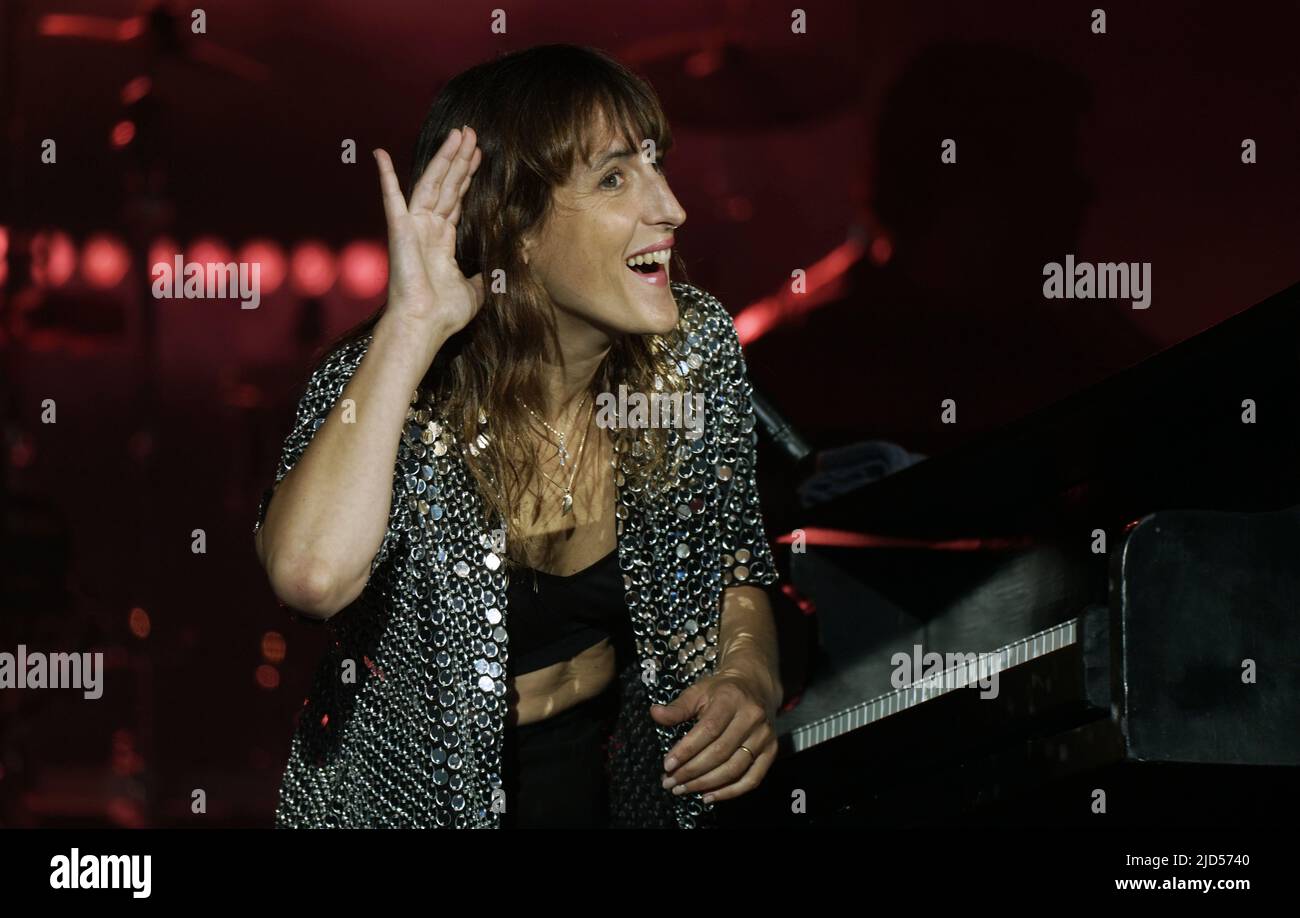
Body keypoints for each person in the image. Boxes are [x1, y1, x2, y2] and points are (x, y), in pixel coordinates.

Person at [253, 44, 782, 828]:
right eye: (614, 178)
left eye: (654, 165)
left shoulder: (692, 352)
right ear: (519, 230)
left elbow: (735, 559)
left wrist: (750, 676)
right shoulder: (391, 387)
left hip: (610, 786)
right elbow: (310, 578)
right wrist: (408, 331)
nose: (669, 207)